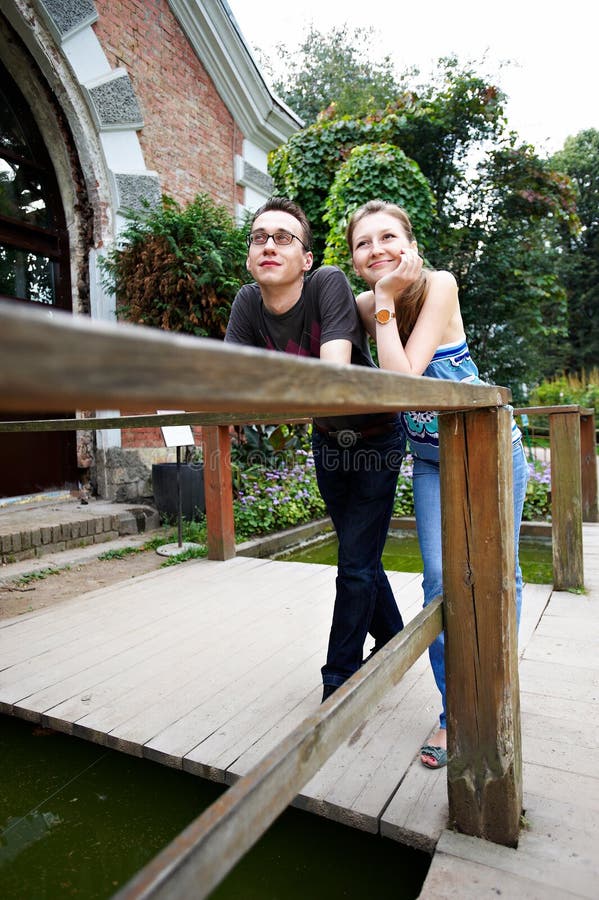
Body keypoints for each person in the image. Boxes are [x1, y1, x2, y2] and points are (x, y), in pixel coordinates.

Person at [346, 199, 529, 768]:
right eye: (363, 243)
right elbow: (307, 328)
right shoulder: (361, 301)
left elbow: (404, 382)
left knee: (501, 574)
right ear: (353, 258)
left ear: (410, 243)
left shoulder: (439, 285)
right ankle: (457, 713)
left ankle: (496, 684)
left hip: (491, 450)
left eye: (388, 237)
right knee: (438, 581)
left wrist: (382, 303)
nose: (377, 250)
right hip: (430, 460)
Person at [225, 197, 407, 702]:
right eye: (259, 237)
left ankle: (339, 680)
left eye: (284, 238)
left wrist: (262, 389)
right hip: (328, 442)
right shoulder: (247, 303)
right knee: (360, 556)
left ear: (305, 258)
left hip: (376, 440)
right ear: (249, 255)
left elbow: (330, 372)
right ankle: (393, 638)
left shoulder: (327, 283)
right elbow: (231, 383)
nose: (268, 245)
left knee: (353, 562)